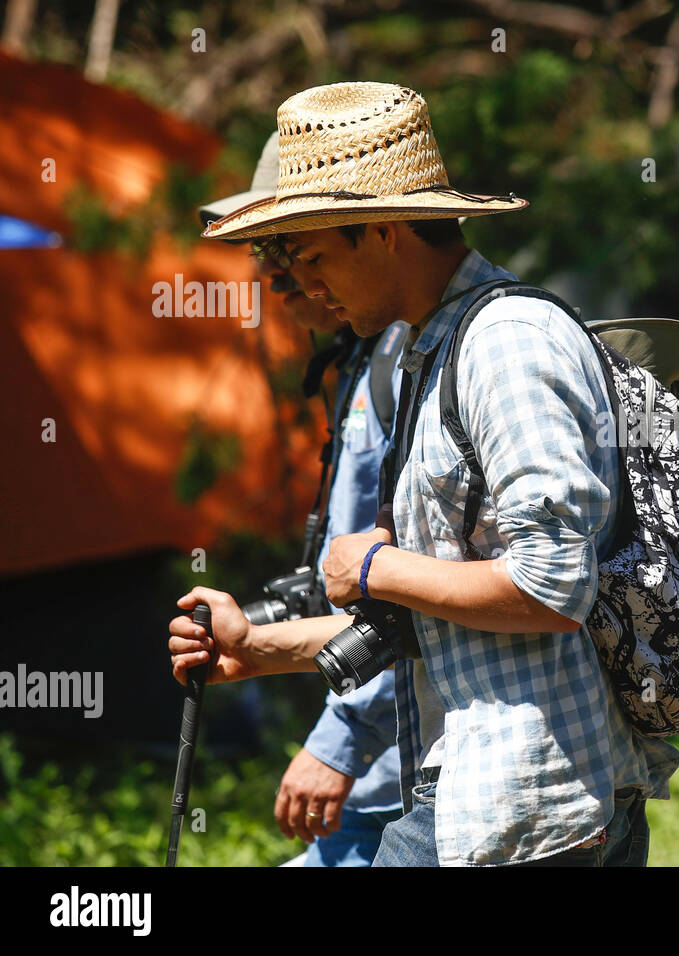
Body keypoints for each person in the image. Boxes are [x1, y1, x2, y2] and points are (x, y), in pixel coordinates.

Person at [168, 81, 679, 866]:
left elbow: (552, 587)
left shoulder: (506, 344)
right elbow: (445, 612)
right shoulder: (429, 349)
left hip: (523, 795)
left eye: (311, 256)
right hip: (487, 790)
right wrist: (261, 647)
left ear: (382, 232)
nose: (301, 285)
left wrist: (374, 563)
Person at [197, 133, 407, 866]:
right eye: (267, 258)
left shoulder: (405, 360)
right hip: (391, 772)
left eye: (295, 253)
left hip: (413, 770)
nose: (280, 280)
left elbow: (414, 584)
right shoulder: (358, 356)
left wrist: (340, 741)